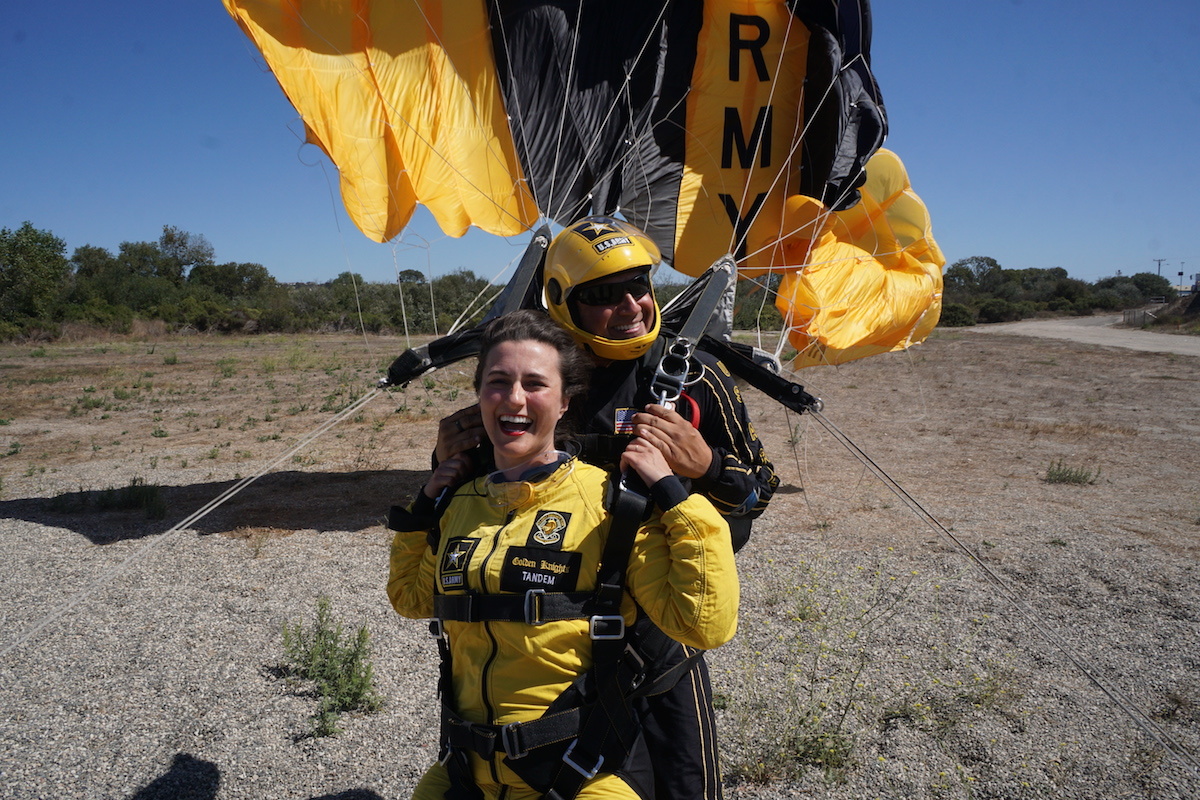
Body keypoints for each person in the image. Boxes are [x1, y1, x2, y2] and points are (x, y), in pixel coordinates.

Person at [436, 216, 776, 800]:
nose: (631, 305)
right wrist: (444, 460)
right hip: (549, 635)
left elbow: (758, 491)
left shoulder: (694, 376)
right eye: (602, 295)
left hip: (657, 631)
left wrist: (707, 467)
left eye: (640, 284)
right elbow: (474, 495)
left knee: (679, 783)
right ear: (562, 300)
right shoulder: (535, 372)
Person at [388, 309, 739, 800]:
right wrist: (424, 506)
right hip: (466, 770)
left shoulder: (610, 504)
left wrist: (676, 497)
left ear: (563, 401)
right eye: (498, 382)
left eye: (535, 384)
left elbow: (704, 624)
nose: (514, 398)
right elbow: (411, 598)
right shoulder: (459, 502)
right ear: (479, 395)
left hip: (581, 772)